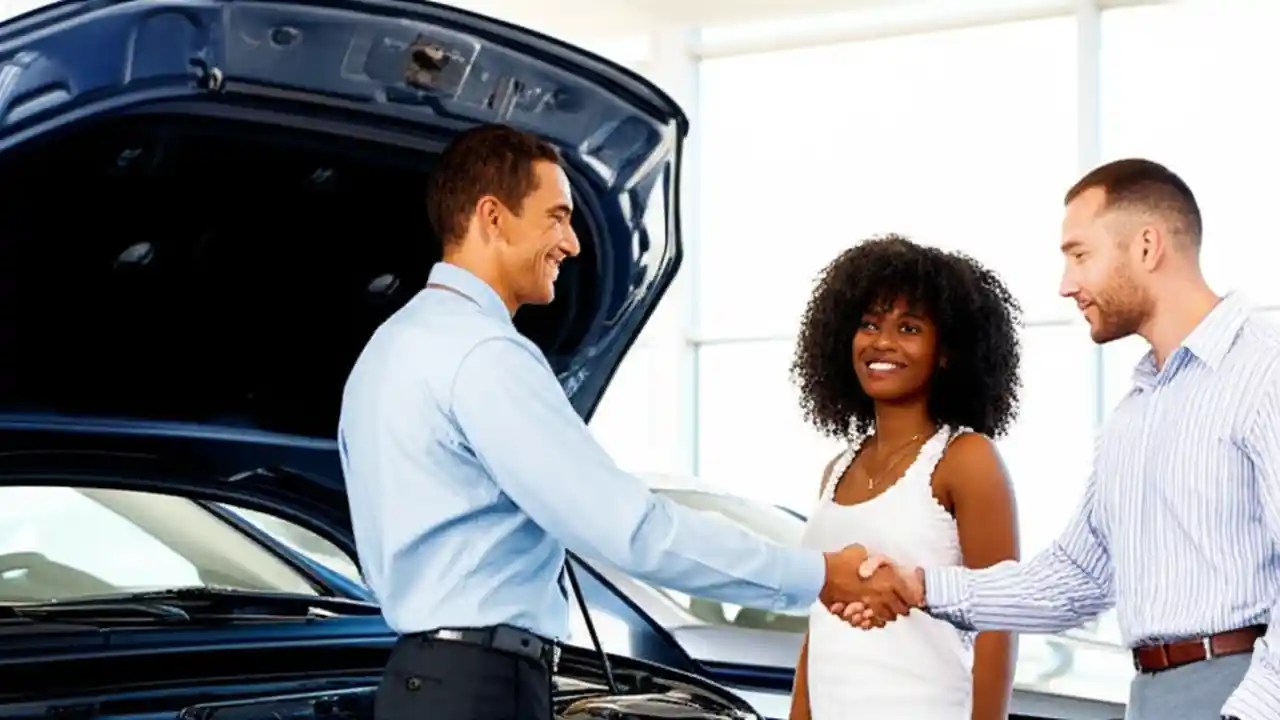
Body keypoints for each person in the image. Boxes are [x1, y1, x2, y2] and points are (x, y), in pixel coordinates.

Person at [336, 123, 911, 720]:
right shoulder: (483, 355)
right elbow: (631, 531)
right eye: (556, 217)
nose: (573, 244)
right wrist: (818, 573)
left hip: (418, 682)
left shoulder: (386, 351)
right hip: (481, 691)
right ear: (493, 216)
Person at [842, 159, 1280, 720]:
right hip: (1152, 694)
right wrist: (922, 586)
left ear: (1147, 246)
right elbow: (1076, 578)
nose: (1067, 283)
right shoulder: (1135, 412)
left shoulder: (1265, 373)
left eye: (1080, 255)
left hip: (1244, 693)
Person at [785, 235, 1022, 720]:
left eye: (909, 328)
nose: (882, 342)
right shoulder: (837, 469)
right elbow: (820, 626)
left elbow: (1001, 621)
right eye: (869, 324)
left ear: (946, 352)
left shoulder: (966, 459)